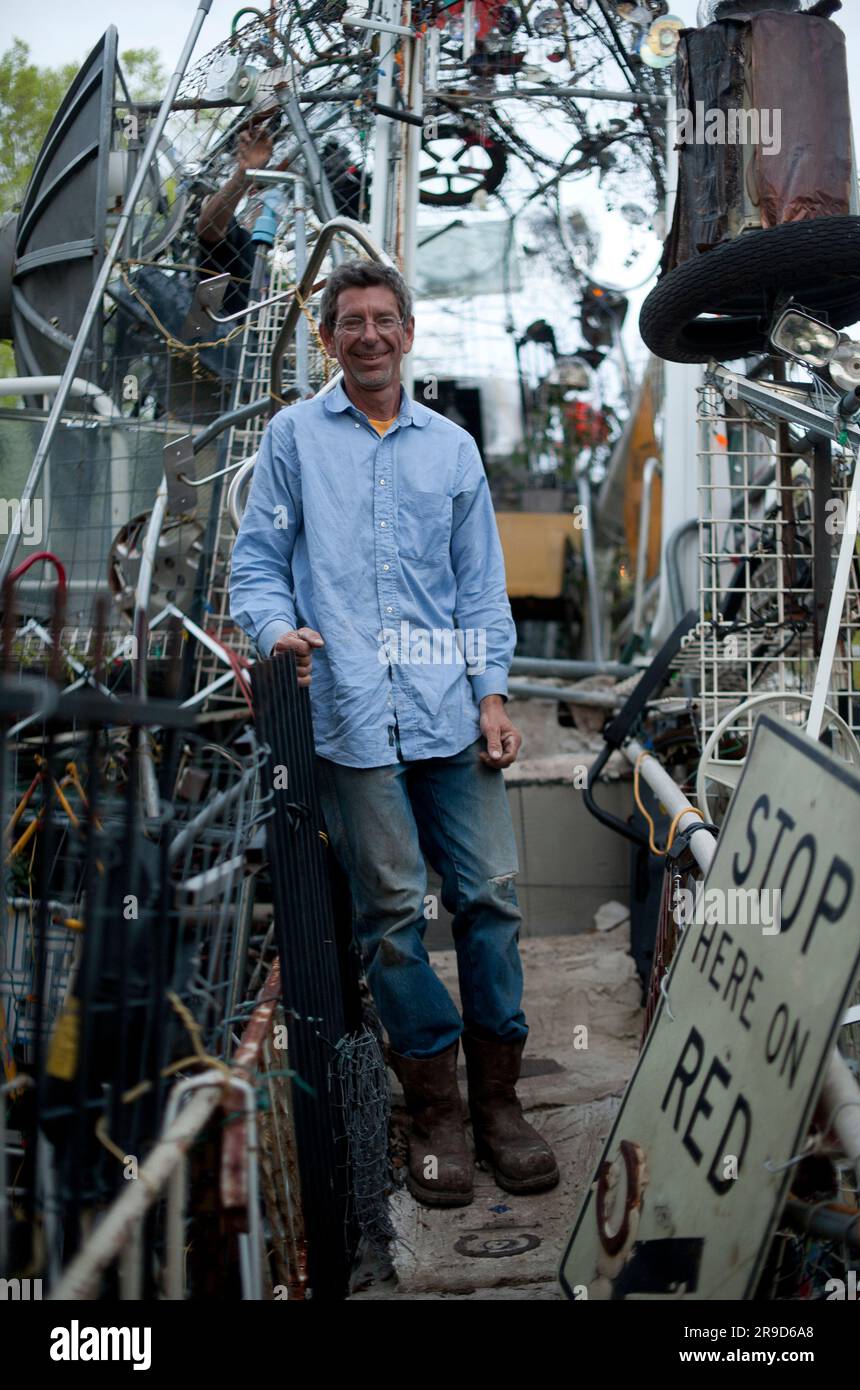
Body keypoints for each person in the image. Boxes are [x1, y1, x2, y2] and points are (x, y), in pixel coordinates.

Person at [228, 259, 559, 1208]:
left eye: (384, 319)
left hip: (450, 714)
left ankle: (499, 1106)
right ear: (328, 339)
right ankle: (437, 1112)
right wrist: (273, 628)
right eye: (350, 322)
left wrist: (492, 697)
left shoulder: (451, 450)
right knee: (392, 918)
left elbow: (479, 589)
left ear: (409, 333)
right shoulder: (292, 440)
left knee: (491, 898)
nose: (368, 335)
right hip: (348, 717)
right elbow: (257, 568)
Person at [196, 122, 274, 317]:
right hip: (217, 339)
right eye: (269, 196)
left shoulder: (262, 257)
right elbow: (209, 228)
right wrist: (244, 175)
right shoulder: (238, 238)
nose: (275, 207)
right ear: (253, 194)